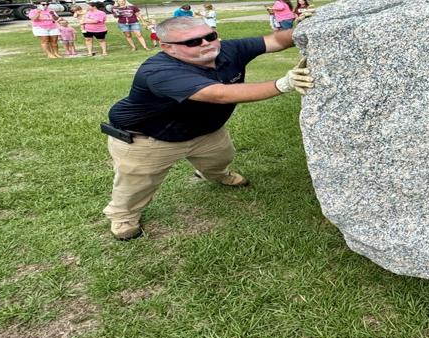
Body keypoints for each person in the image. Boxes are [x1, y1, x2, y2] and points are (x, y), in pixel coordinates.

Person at [100, 12, 315, 240]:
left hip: (205, 130)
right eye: (192, 42)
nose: (205, 43)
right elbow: (218, 94)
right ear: (168, 47)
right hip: (149, 138)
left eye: (210, 36)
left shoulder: (227, 50)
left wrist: (305, 29)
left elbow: (275, 40)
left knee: (222, 157)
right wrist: (283, 84)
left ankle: (215, 174)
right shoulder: (158, 71)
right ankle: (123, 216)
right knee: (137, 183)